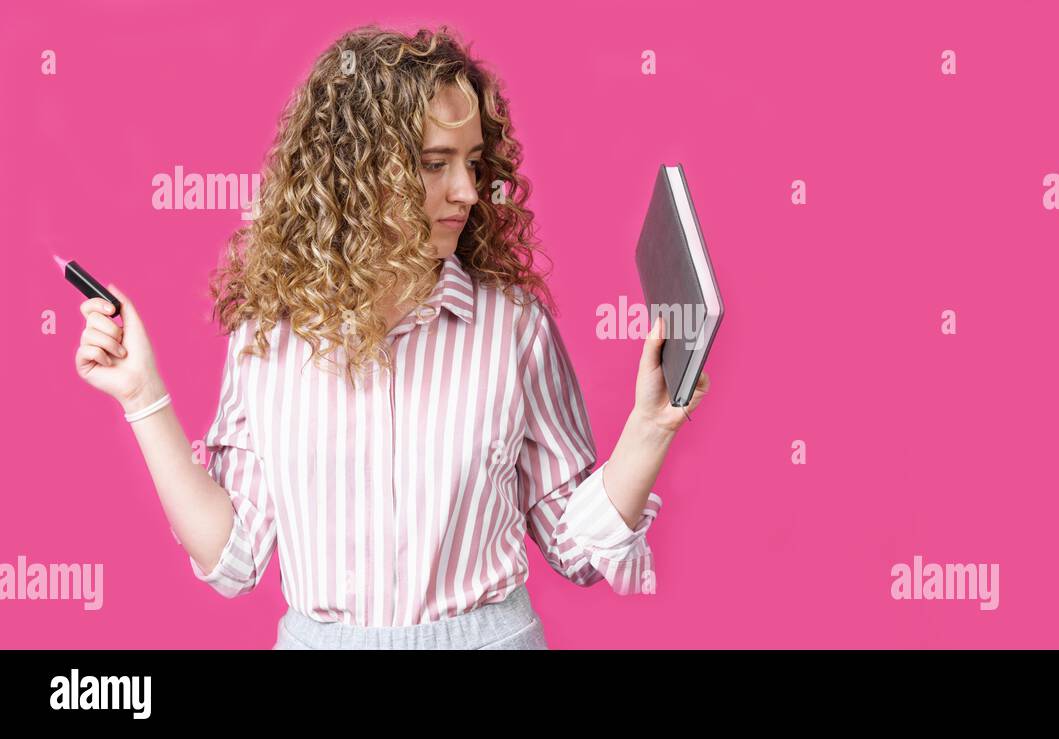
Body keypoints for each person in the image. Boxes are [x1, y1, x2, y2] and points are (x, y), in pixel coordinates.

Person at [71, 24, 709, 650]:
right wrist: (144, 398)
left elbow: (576, 552)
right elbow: (231, 558)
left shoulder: (513, 325)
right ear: (355, 175)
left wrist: (649, 426)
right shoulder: (268, 336)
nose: (465, 192)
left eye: (474, 164)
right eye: (435, 164)